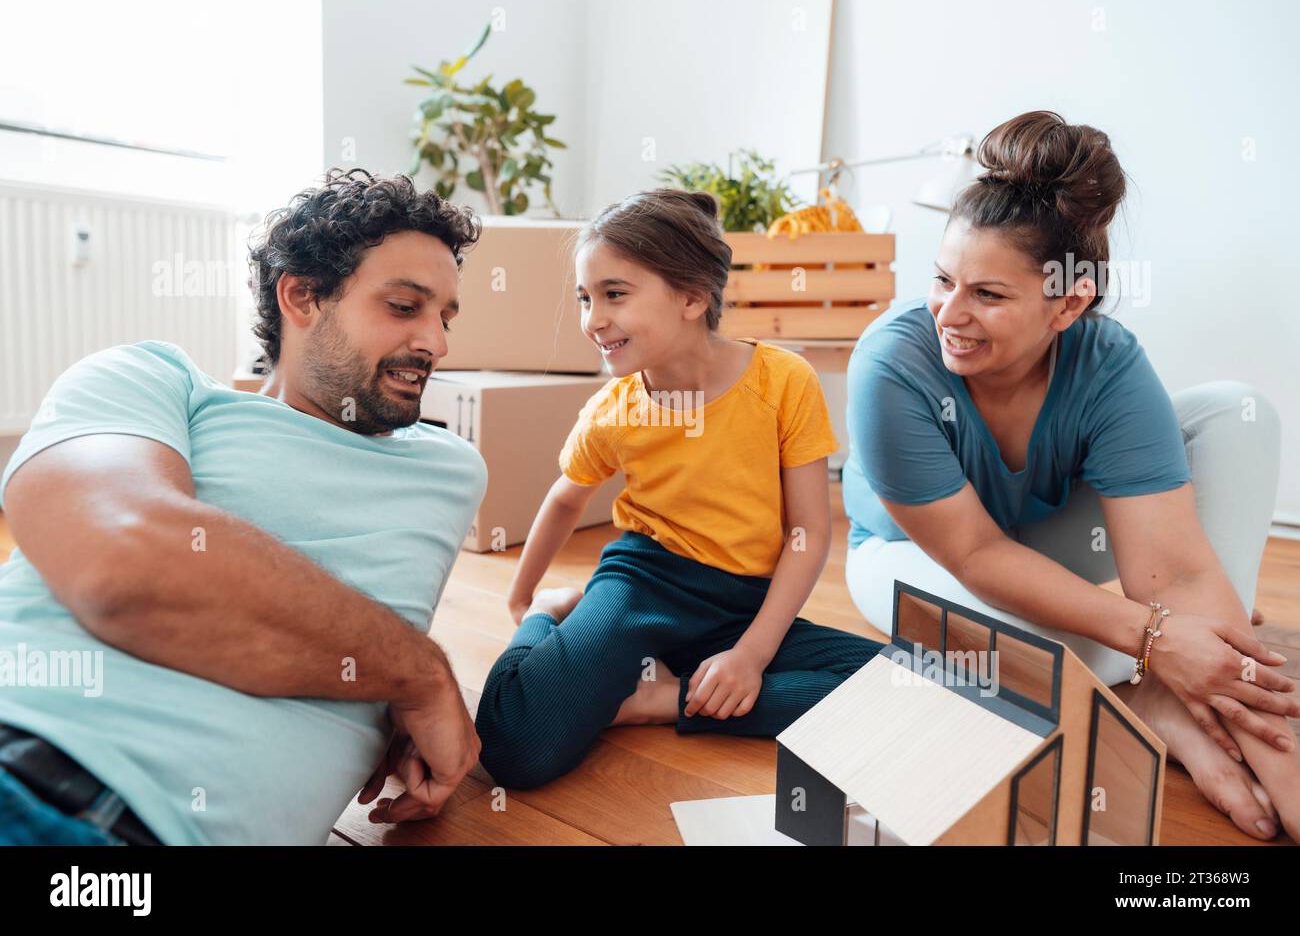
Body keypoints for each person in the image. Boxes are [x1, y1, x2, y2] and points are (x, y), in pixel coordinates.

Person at [841, 111, 1298, 841]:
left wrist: (1282, 756)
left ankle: (1200, 686)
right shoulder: (890, 366)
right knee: (1019, 644)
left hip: (1055, 544)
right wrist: (1155, 639)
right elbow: (977, 556)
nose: (948, 314)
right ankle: (1161, 690)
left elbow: (1174, 576)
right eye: (942, 280)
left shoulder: (1107, 360)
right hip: (916, 559)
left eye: (987, 295)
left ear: (1069, 304)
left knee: (1235, 412)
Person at [0, 168, 487, 844]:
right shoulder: (145, 381)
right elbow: (127, 568)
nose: (436, 342)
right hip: (22, 769)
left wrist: (386, 681)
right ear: (302, 295)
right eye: (404, 307)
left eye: (446, 316)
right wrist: (417, 673)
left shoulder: (450, 469)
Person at [473, 188, 884, 789]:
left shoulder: (783, 380)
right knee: (514, 748)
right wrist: (525, 600)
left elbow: (808, 532)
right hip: (643, 586)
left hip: (747, 605)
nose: (593, 320)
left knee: (912, 687)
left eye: (614, 294)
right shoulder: (613, 411)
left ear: (693, 296)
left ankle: (659, 699)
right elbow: (566, 496)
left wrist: (751, 655)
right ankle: (559, 615)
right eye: (586, 298)